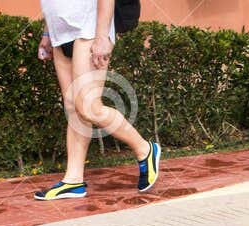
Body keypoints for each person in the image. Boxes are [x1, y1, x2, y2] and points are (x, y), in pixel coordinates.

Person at [34, 0, 161, 201]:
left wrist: (102, 37)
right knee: (72, 106)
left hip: (89, 27)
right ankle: (73, 180)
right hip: (60, 32)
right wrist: (47, 33)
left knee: (88, 107)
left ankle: (144, 149)